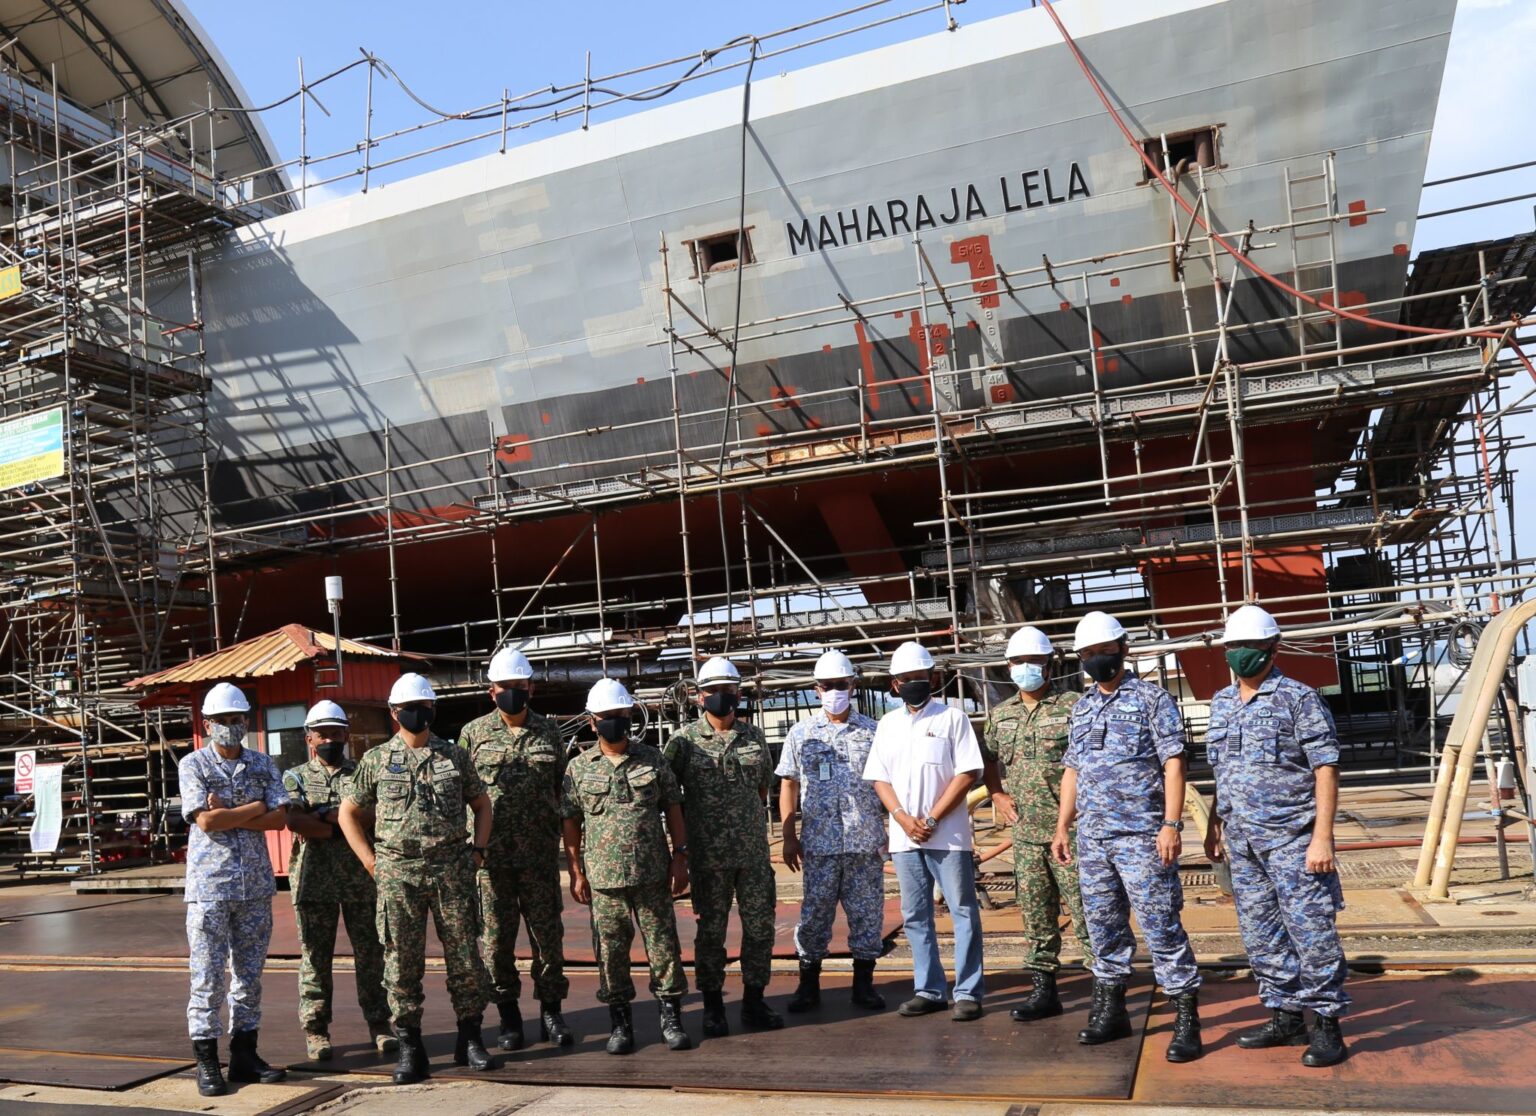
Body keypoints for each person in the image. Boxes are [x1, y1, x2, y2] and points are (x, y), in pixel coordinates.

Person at [1051, 611, 1203, 1062]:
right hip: (1094, 839)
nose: (1097, 660)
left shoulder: (1152, 699)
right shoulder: (1081, 707)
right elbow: (1072, 770)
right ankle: (1111, 1012)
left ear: (1123, 650)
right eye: (1088, 654)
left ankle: (1185, 1018)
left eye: (1104, 651)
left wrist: (1171, 824)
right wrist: (1063, 824)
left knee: (1160, 926)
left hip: (1142, 835)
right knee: (1103, 929)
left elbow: (1174, 762)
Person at [1205, 604, 1349, 1067]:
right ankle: (1285, 1016)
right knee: (1261, 933)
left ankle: (1327, 1025)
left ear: (1271, 648)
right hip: (1243, 843)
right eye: (1233, 647)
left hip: (1293, 838)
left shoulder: (1299, 699)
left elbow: (1326, 768)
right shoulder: (1223, 702)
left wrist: (1322, 837)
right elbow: (1221, 771)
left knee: (1311, 932)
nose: (1239, 654)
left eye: (1248, 646)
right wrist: (1214, 823)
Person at [339, 673, 496, 1084]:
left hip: (451, 870)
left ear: (433, 710)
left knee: (465, 957)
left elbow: (482, 804)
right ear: (394, 713)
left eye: (424, 707)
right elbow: (348, 813)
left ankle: (471, 1038)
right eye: (409, 708)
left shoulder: (454, 756)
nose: (417, 714)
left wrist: (478, 850)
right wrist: (371, 862)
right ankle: (411, 1047)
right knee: (402, 963)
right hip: (398, 875)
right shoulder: (375, 760)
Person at [562, 678, 693, 1054]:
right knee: (611, 953)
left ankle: (671, 1018)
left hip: (652, 874)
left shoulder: (653, 759)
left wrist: (679, 856)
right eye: (606, 717)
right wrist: (576, 870)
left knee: (664, 948)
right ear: (591, 722)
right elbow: (570, 820)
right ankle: (620, 1024)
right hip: (603, 880)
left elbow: (673, 808)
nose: (614, 723)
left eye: (620, 716)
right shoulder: (578, 769)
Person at [178, 682, 290, 1097]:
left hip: (255, 887)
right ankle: (208, 1061)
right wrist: (254, 808)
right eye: (223, 721)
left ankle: (245, 1053)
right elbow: (204, 822)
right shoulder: (193, 764)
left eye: (237, 719)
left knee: (249, 976)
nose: (231, 726)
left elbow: (279, 819)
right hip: (210, 888)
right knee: (206, 977)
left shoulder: (262, 763)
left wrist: (229, 812)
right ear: (208, 724)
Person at [863, 641, 985, 1021]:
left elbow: (967, 773)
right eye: (906, 679)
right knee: (915, 914)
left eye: (920, 677)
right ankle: (929, 989)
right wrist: (902, 818)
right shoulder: (888, 724)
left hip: (946, 836)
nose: (914, 683)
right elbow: (879, 777)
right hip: (905, 838)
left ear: (931, 678)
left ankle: (967, 992)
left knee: (962, 910)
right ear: (895, 684)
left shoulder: (952, 719)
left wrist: (931, 818)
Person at [458, 646, 572, 1051]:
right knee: (496, 941)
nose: (513, 693)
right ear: (492, 692)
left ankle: (551, 1013)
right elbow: (465, 796)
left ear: (530, 688)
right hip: (492, 860)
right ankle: (509, 1017)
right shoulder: (473, 735)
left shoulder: (549, 732)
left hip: (541, 857)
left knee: (547, 938)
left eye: (519, 687)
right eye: (506, 687)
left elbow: (563, 790)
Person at [662, 656, 782, 1036]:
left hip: (752, 855)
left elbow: (762, 788)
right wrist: (679, 852)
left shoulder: (754, 737)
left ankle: (754, 1001)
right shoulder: (682, 742)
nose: (721, 698)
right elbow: (669, 798)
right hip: (707, 856)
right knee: (711, 932)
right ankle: (713, 1006)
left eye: (728, 691)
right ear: (699, 697)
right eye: (713, 692)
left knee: (760, 928)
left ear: (738, 694)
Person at [982, 625, 1093, 1023]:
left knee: (1086, 911)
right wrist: (996, 793)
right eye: (1018, 661)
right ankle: (1045, 991)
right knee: (1035, 914)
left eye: (1035, 661)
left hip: (1074, 834)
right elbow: (989, 760)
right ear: (1008, 665)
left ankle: (1105, 987)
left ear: (1050, 665)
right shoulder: (1001, 715)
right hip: (1026, 835)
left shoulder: (1074, 706)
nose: (1026, 668)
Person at [283, 700, 394, 1061]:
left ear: (346, 734)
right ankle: (316, 1031)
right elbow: (297, 822)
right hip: (313, 883)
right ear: (309, 737)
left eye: (336, 732)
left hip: (361, 880)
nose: (330, 739)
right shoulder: (295, 776)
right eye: (322, 733)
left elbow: (377, 815)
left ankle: (380, 1024)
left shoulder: (363, 771)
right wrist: (346, 823)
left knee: (371, 956)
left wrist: (327, 816)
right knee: (316, 958)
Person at [777, 649, 887, 1014]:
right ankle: (808, 985)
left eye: (841, 685)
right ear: (816, 689)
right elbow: (789, 783)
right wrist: (789, 834)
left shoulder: (873, 731)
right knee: (815, 914)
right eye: (828, 686)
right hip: (819, 844)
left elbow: (887, 783)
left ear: (853, 686)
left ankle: (864, 985)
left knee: (867, 914)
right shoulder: (801, 733)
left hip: (863, 840)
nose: (835, 692)